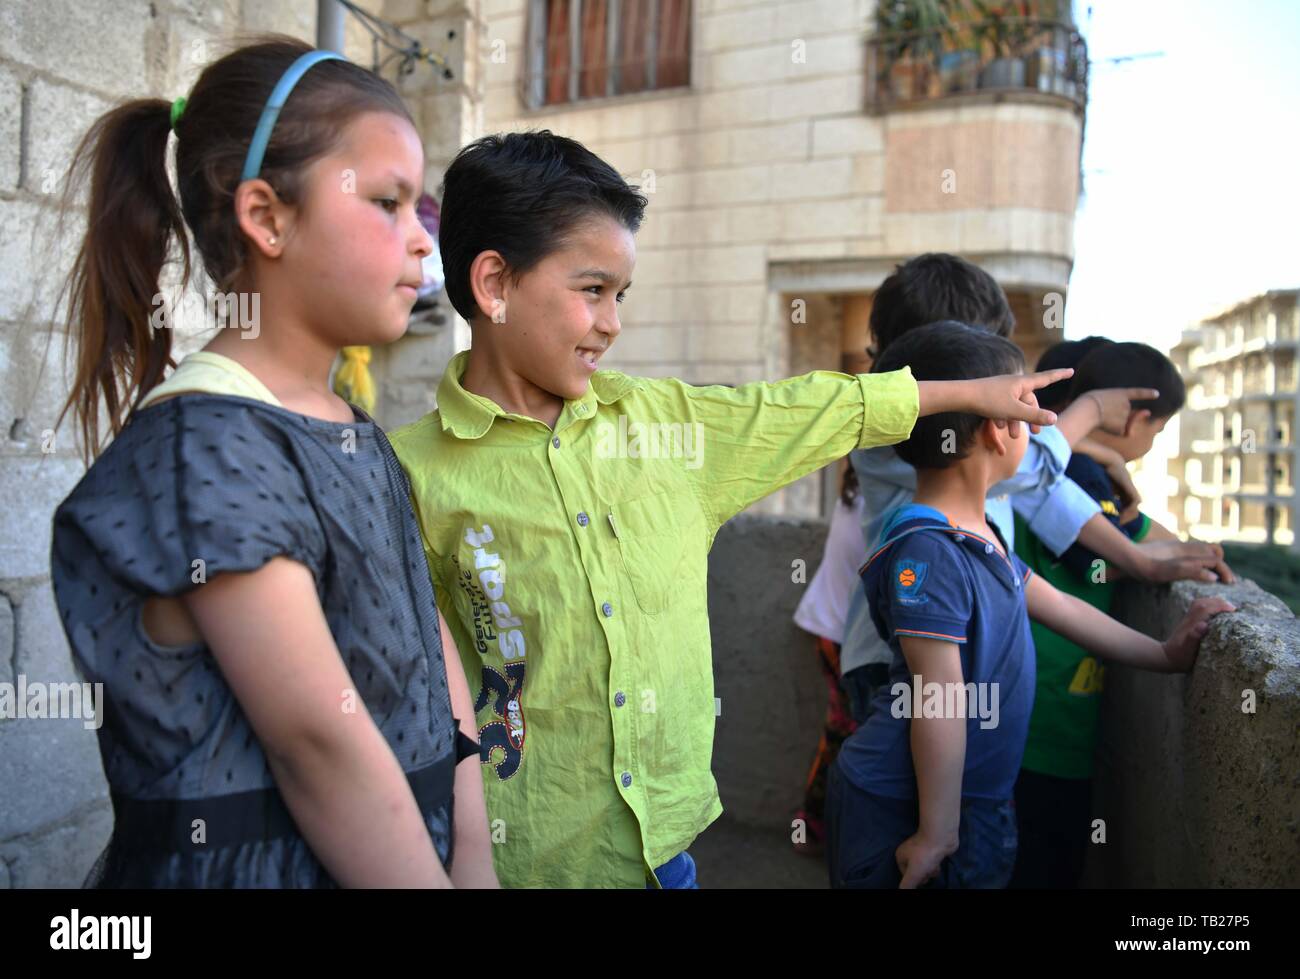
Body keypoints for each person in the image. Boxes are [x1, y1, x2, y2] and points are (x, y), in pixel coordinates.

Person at [390, 131, 1073, 888]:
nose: (613, 322)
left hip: (668, 857)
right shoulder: (410, 475)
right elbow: (425, 695)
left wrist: (959, 393)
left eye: (622, 295)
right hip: (524, 860)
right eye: (593, 290)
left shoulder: (671, 429)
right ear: (494, 283)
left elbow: (807, 406)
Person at [49, 37, 496, 888]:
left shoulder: (356, 433)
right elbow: (317, 746)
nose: (420, 244)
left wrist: (473, 855)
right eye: (388, 204)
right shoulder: (206, 450)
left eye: (421, 209)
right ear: (267, 217)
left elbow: (430, 651)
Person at [827, 322, 1234, 889]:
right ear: (999, 429)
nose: (1041, 422)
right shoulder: (928, 550)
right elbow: (938, 695)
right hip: (910, 805)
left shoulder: (981, 532)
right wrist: (938, 832)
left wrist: (1165, 654)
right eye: (1030, 407)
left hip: (971, 799)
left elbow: (1065, 609)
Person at [838, 255, 1230, 725]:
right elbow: (1033, 472)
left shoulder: (985, 544)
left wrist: (1146, 576)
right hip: (892, 667)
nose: (1014, 406)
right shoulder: (896, 449)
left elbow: (1047, 501)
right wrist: (1085, 412)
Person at [1010, 340, 1231, 888]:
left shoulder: (1068, 472)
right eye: (1156, 431)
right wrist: (1186, 555)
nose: (1152, 443)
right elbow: (1106, 554)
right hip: (1048, 720)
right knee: (1044, 864)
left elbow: (1124, 539)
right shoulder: (1081, 475)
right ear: (1134, 415)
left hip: (1032, 713)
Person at [790, 465, 872, 855]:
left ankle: (814, 825)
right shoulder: (878, 504)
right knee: (852, 733)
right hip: (844, 637)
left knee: (840, 729)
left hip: (830, 627)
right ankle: (821, 826)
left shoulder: (854, 494)